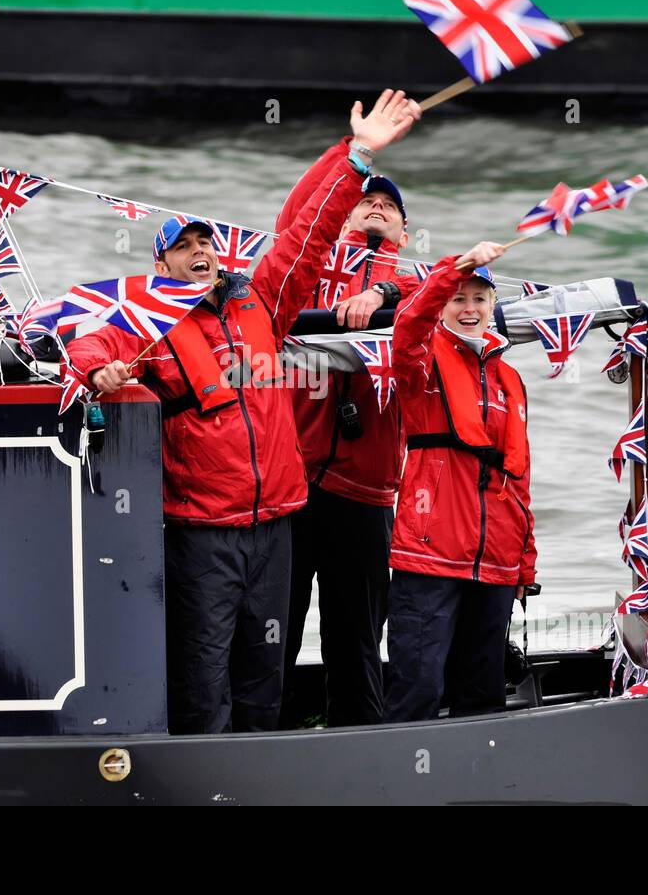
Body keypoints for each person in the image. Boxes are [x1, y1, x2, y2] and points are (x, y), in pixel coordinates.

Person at [67, 90, 422, 734]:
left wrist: (359, 155)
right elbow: (90, 340)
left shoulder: (261, 302)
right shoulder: (148, 321)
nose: (200, 250)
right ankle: (206, 777)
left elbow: (307, 236)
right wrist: (97, 370)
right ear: (162, 263)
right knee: (204, 673)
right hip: (203, 531)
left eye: (208, 241)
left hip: (277, 526)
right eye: (184, 245)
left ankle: (266, 772)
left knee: (265, 670)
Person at [273, 147, 420, 728]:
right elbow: (294, 221)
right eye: (366, 202)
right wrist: (353, 158)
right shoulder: (310, 266)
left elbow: (445, 287)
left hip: (365, 494)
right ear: (341, 216)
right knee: (273, 628)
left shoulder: (415, 282)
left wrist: (382, 294)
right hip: (295, 484)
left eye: (390, 208)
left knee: (356, 637)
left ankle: (358, 744)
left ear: (406, 234)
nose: (378, 209)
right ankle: (258, 739)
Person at [384, 243, 538, 722]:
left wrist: (524, 565)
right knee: (418, 685)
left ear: (494, 306)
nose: (469, 309)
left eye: (479, 298)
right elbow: (408, 326)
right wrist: (454, 269)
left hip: (497, 559)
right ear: (443, 303)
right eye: (458, 298)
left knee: (483, 693)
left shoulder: (510, 377)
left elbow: (522, 476)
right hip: (430, 553)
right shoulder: (420, 360)